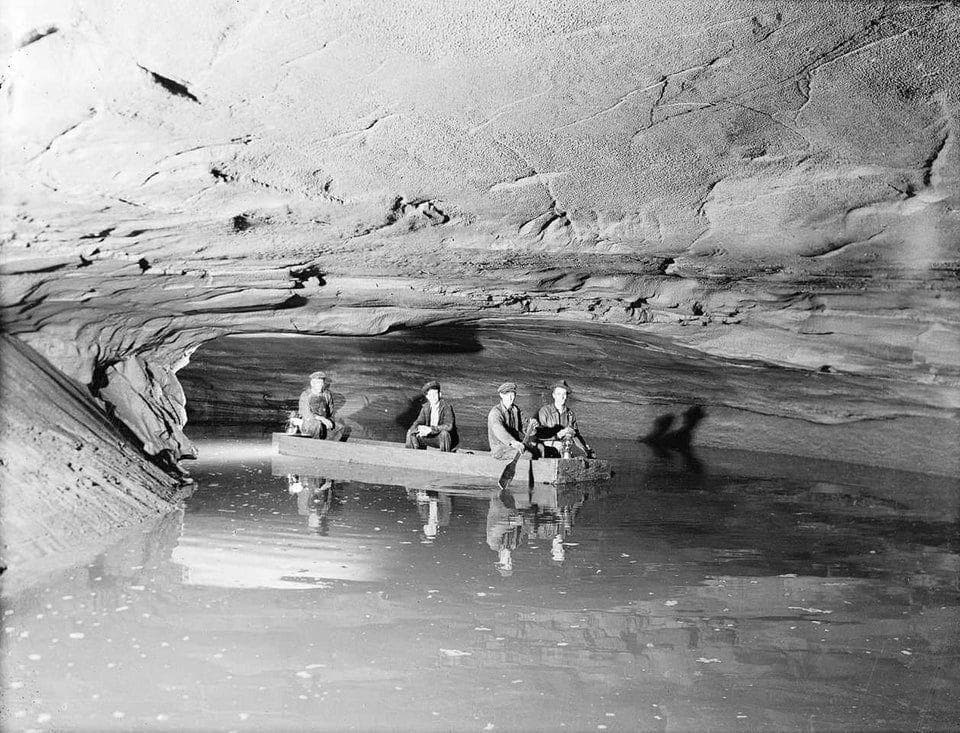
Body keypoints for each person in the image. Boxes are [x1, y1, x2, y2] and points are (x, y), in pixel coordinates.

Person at [534, 380, 594, 458]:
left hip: (565, 446)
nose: (562, 397)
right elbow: (539, 436)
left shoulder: (570, 414)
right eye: (559, 394)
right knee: (562, 448)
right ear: (553, 395)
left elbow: (576, 435)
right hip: (546, 445)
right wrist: (558, 435)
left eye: (564, 394)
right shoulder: (544, 411)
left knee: (582, 455)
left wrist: (585, 448)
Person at [487, 382, 538, 460]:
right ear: (501, 395)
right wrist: (513, 442)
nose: (511, 398)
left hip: (514, 447)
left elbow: (525, 428)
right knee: (528, 455)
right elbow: (499, 430)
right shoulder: (495, 412)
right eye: (507, 395)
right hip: (500, 449)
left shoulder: (515, 410)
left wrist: (532, 426)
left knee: (539, 448)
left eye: (512, 395)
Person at [405, 380, 458, 451]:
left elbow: (448, 426)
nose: (432, 397)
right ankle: (412, 455)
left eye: (434, 394)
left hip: (440, 438)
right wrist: (417, 428)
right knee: (411, 433)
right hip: (427, 436)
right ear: (427, 397)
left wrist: (431, 430)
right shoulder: (425, 407)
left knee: (444, 434)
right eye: (430, 395)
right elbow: (418, 422)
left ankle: (445, 456)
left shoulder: (446, 407)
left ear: (440, 395)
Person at [295, 371, 345, 440]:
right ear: (312, 383)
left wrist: (329, 421)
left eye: (322, 383)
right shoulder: (305, 395)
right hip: (309, 424)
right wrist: (322, 419)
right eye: (318, 383)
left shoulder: (327, 394)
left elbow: (330, 411)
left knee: (340, 428)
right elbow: (306, 414)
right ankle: (314, 446)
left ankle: (327, 446)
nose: (321, 385)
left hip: (323, 422)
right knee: (317, 425)